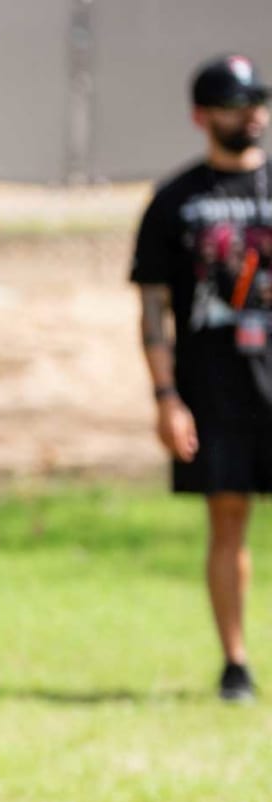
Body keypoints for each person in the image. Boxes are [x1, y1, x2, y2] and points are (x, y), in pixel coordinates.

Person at [131, 55, 272, 704]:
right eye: (237, 104)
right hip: (215, 389)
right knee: (228, 519)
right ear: (202, 115)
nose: (254, 115)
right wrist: (166, 398)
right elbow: (154, 309)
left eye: (258, 102)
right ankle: (235, 663)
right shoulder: (175, 201)